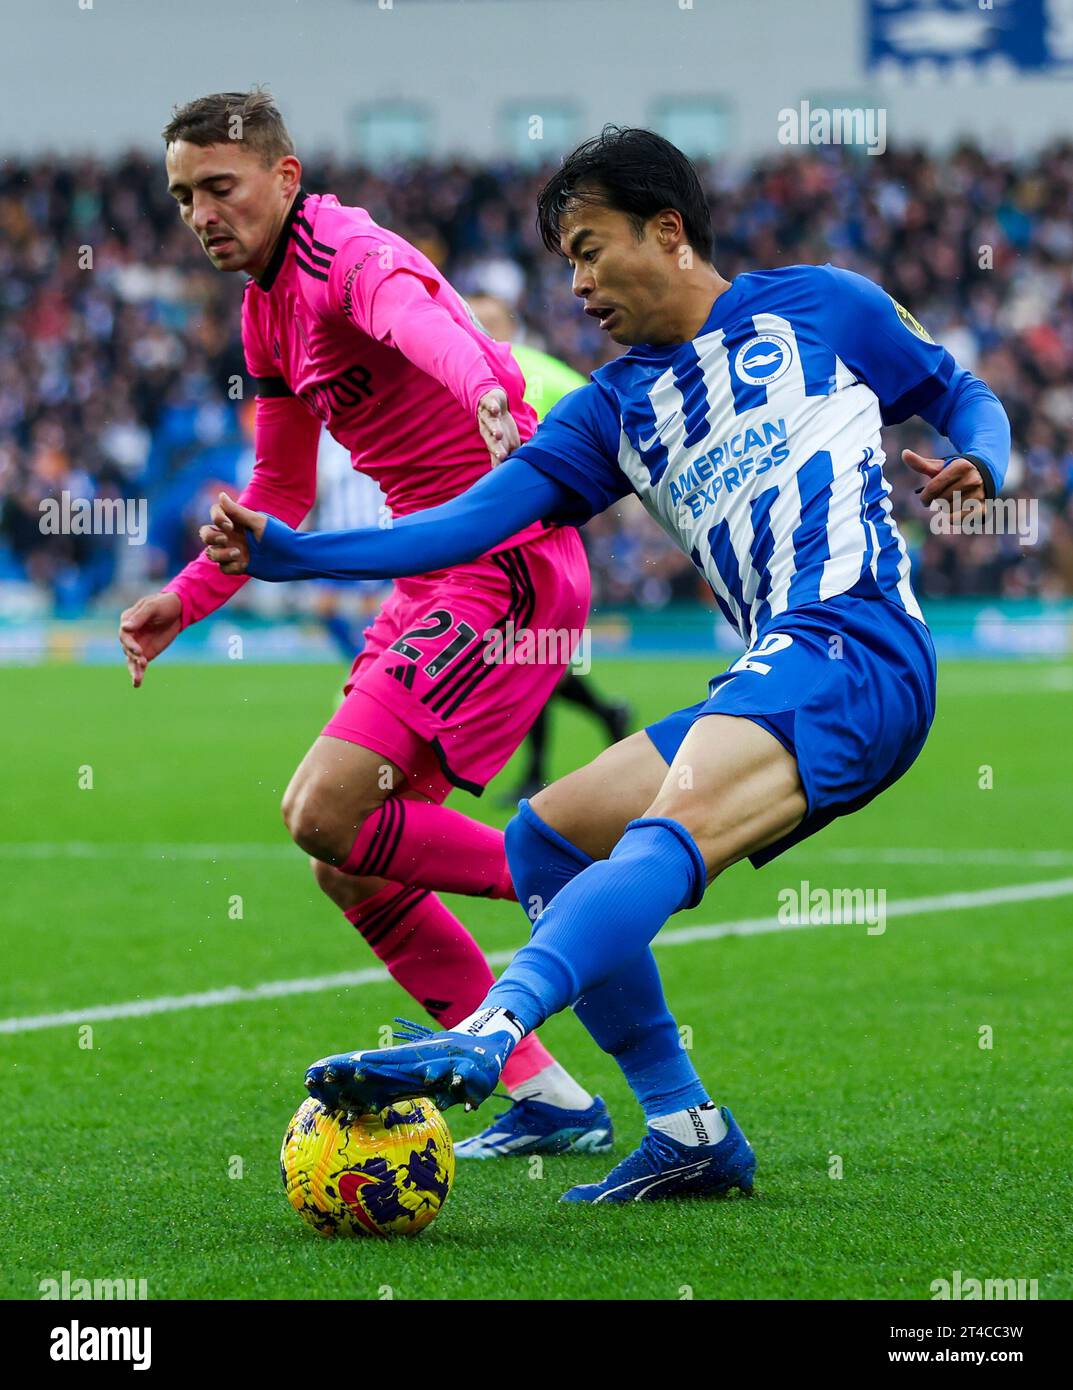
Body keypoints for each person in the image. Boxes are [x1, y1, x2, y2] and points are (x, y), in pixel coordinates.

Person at [203, 126, 1010, 1204]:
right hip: (779, 663)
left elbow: (961, 391)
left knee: (660, 836)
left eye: (588, 249)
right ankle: (686, 1129)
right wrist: (300, 554)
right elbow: (469, 523)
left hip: (856, 640)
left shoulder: (819, 304)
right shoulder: (611, 409)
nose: (576, 283)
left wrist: (980, 461)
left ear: (666, 232)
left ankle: (491, 1032)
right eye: (565, 262)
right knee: (547, 837)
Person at [119, 88, 613, 1160]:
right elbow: (281, 493)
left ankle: (594, 890)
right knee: (345, 859)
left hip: (502, 568)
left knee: (321, 808)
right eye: (181, 196)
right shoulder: (262, 310)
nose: (201, 213)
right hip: (429, 580)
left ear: (283, 178)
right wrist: (186, 598)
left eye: (220, 187)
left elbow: (425, 321)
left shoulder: (342, 251)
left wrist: (486, 391)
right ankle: (548, 1098)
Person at [467, 292, 631, 802]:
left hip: (543, 537)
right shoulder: (463, 376)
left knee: (531, 655)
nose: (483, 332)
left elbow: (605, 420)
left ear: (510, 327)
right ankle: (604, 717)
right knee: (537, 656)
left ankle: (536, 769)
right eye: (474, 323)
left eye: (490, 322)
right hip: (493, 539)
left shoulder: (541, 374)